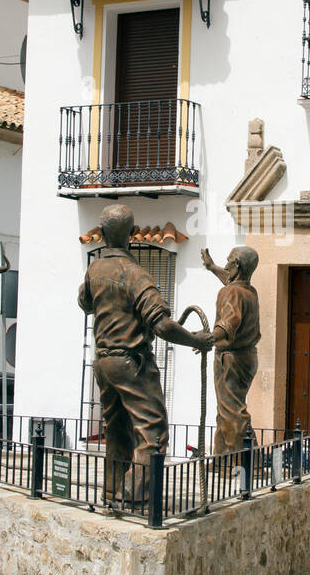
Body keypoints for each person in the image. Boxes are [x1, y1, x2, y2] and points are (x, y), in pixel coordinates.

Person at [79, 204, 211, 502]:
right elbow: (162, 324)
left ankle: (112, 491)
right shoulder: (135, 274)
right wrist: (196, 340)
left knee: (117, 428)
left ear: (100, 232)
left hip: (103, 362)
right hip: (131, 362)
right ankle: (132, 494)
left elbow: (85, 303)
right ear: (130, 232)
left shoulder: (94, 268)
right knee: (153, 432)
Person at [201, 246, 260, 456]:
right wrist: (212, 267)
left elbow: (229, 322)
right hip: (246, 357)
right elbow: (229, 280)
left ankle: (246, 462)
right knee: (228, 410)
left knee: (232, 411)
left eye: (228, 261)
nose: (225, 265)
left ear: (237, 265)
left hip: (231, 359)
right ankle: (223, 459)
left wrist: (209, 337)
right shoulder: (247, 290)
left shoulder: (232, 292)